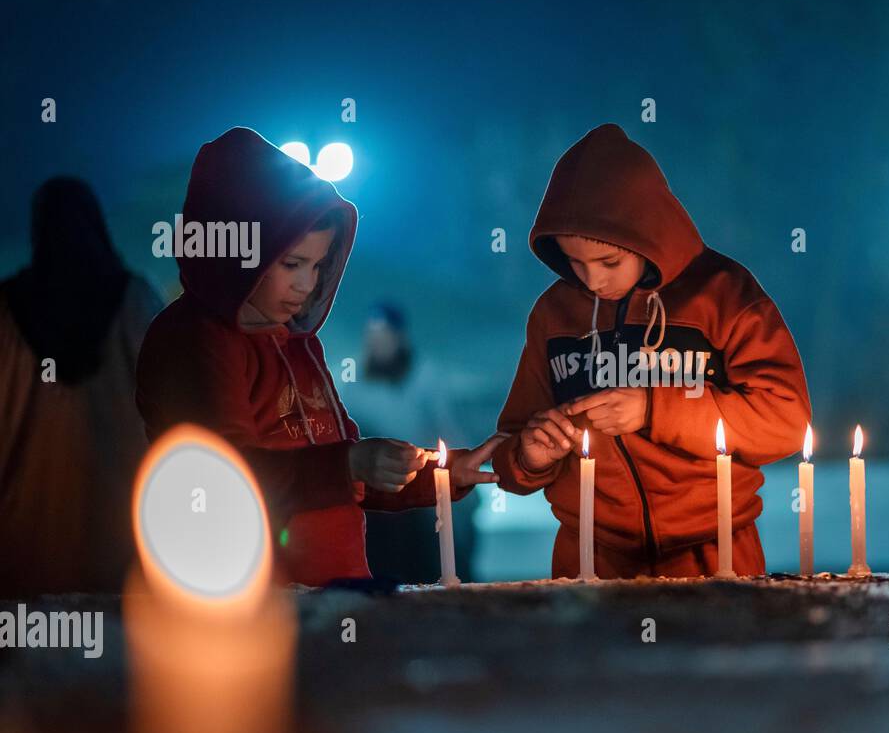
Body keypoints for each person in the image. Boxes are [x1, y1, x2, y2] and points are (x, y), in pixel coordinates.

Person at [136, 127, 497, 586]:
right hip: (248, 601)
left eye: (318, 266)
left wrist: (443, 474)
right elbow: (221, 479)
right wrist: (348, 464)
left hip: (334, 591)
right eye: (291, 264)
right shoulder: (195, 340)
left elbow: (348, 472)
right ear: (238, 254)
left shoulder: (296, 344)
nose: (306, 286)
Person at [494, 124, 811, 578]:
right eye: (574, 263)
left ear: (650, 237)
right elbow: (509, 447)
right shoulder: (553, 313)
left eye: (609, 263)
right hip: (590, 558)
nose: (593, 281)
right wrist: (529, 457)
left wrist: (655, 409)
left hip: (716, 553)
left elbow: (785, 421)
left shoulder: (723, 295)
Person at [0, 177, 163, 594]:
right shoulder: (134, 300)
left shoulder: (6, 309)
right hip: (123, 532)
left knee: (35, 656)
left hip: (24, 538)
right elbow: (172, 399)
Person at [345, 302, 482, 581]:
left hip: (426, 472)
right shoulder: (353, 384)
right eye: (374, 338)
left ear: (400, 337)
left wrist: (461, 471)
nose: (379, 344)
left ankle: (458, 582)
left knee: (455, 518)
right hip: (376, 479)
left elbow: (449, 428)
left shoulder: (427, 377)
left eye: (385, 337)